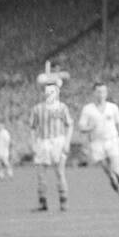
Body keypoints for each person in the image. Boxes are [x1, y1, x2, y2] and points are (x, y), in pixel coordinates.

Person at [78, 82, 119, 209]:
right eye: (98, 91)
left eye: (103, 91)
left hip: (112, 141)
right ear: (94, 93)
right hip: (97, 144)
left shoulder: (113, 108)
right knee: (110, 174)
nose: (101, 94)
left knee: (117, 170)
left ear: (106, 93)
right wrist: (88, 128)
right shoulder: (88, 109)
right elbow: (81, 127)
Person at [29, 83, 73, 211]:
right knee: (41, 175)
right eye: (47, 92)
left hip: (57, 142)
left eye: (52, 91)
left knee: (59, 172)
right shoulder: (37, 109)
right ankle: (43, 203)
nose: (49, 94)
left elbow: (69, 125)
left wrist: (67, 142)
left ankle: (63, 202)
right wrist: (33, 144)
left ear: (57, 93)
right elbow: (32, 128)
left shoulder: (61, 108)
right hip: (43, 142)